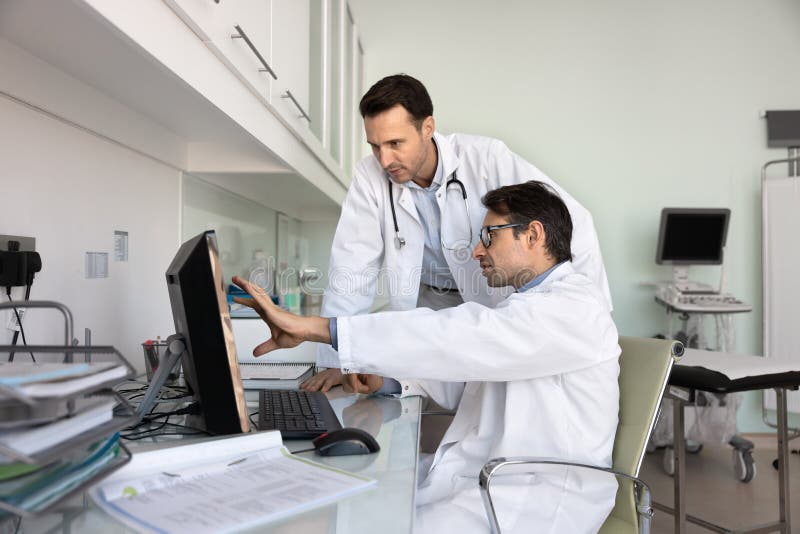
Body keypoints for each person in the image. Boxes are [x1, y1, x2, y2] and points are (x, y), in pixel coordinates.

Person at [233, 181, 620, 533]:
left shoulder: (574, 309)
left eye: (489, 236)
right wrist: (387, 380)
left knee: (373, 520)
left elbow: (458, 337)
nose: (477, 251)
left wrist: (321, 328)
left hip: (539, 494)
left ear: (532, 235)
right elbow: (471, 379)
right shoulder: (527, 306)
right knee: (353, 495)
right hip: (488, 473)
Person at [301, 74, 611, 397]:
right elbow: (352, 266)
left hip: (492, 297)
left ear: (427, 128)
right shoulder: (370, 176)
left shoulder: (486, 159)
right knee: (427, 387)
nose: (385, 160)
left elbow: (574, 220)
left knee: (488, 382)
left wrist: (589, 317)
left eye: (395, 144)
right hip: (431, 302)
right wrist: (338, 359)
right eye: (375, 146)